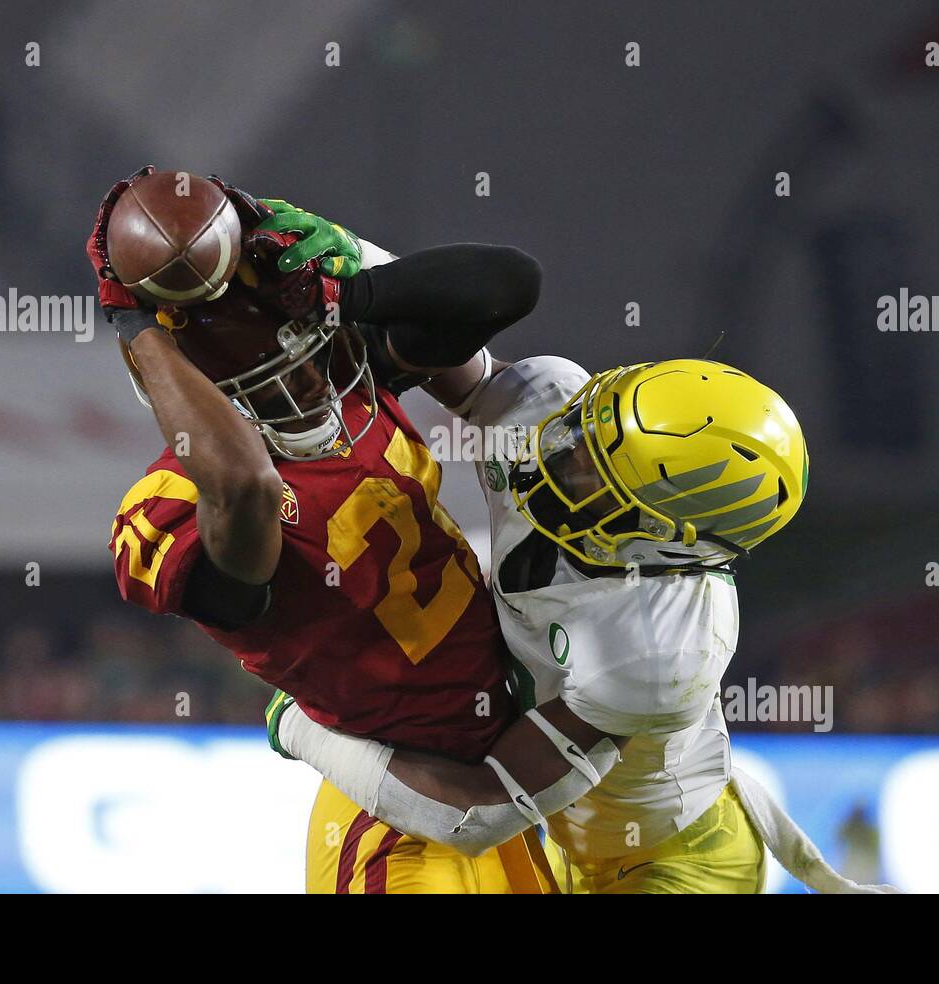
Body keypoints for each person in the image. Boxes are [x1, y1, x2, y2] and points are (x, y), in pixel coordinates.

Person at [269, 352, 895, 894]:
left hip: (671, 865)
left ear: (663, 538)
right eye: (590, 431)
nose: (566, 455)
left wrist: (303, 726)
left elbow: (476, 812)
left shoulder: (657, 652)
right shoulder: (549, 406)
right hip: (571, 835)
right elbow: (433, 340)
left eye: (601, 475)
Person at [90, 166, 555, 893]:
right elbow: (245, 484)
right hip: (400, 816)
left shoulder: (348, 382)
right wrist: (141, 332)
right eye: (273, 381)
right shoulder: (169, 505)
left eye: (310, 356)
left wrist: (352, 282)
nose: (311, 387)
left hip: (512, 769)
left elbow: (510, 283)